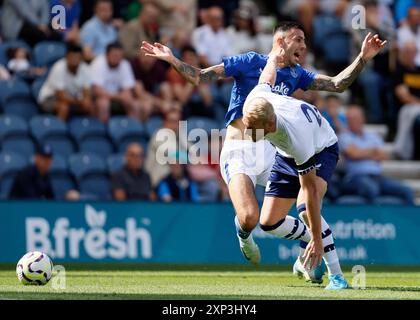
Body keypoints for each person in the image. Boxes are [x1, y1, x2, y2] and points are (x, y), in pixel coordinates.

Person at [141, 22, 386, 278]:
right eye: (298, 39)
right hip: (239, 150)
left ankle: (311, 256)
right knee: (249, 218)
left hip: (273, 151)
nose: (303, 45)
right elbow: (201, 76)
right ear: (280, 42)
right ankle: (248, 235)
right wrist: (171, 59)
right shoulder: (249, 62)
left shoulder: (296, 74)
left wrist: (362, 58)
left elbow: (337, 84)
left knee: (299, 206)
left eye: (305, 41)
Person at [242, 48, 348, 289]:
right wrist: (272, 58)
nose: (249, 134)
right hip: (285, 154)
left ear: (270, 124)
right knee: (269, 223)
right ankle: (313, 240)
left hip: (321, 148)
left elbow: (309, 190)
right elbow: (266, 79)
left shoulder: (295, 136)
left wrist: (319, 243)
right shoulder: (255, 101)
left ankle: (337, 276)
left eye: (255, 129)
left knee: (304, 209)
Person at [340, 106, 415, 204]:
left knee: (407, 191)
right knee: (371, 189)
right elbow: (354, 154)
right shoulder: (343, 136)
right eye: (350, 119)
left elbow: (382, 155)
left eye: (356, 118)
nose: (353, 121)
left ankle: (408, 219)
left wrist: (360, 152)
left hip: (377, 177)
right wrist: (371, 152)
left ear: (363, 119)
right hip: (356, 177)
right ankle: (376, 218)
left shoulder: (373, 135)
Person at [38, 43, 94, 121]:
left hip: (74, 99)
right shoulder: (58, 67)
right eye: (72, 57)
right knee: (64, 107)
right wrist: (80, 102)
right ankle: (59, 131)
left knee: (90, 106)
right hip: (49, 98)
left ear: (81, 58)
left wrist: (86, 100)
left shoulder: (85, 68)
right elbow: (60, 96)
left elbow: (87, 91)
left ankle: (88, 130)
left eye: (77, 57)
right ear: (66, 57)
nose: (74, 60)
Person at [90, 42, 143, 122]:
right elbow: (97, 91)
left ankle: (133, 130)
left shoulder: (125, 64)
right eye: (114, 55)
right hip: (101, 98)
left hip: (117, 97)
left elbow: (128, 90)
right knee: (104, 104)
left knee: (135, 104)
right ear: (107, 55)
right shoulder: (98, 63)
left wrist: (123, 96)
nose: (117, 58)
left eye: (119, 56)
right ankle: (103, 131)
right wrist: (119, 96)